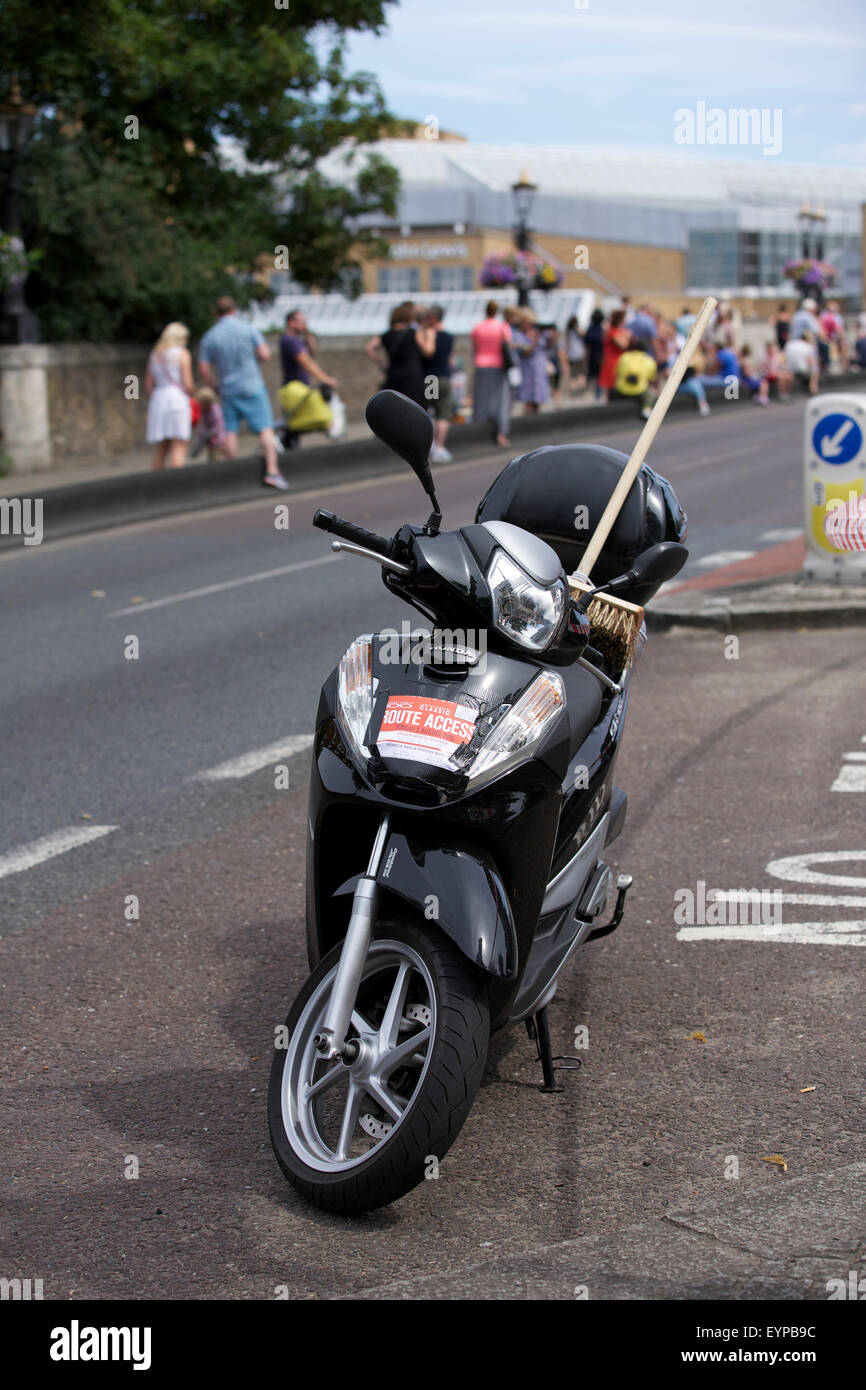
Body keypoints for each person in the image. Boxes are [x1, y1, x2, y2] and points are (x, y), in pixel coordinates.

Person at [199, 296, 285, 489]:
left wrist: (214, 386)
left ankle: (232, 475)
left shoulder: (210, 336)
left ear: (216, 313)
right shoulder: (248, 329)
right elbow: (265, 354)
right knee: (265, 429)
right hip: (253, 385)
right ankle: (272, 472)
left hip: (228, 389)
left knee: (230, 430)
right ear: (234, 310)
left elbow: (204, 369)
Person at [364, 302, 435, 407]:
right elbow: (428, 352)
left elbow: (369, 347)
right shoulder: (414, 332)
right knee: (413, 406)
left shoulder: (386, 334)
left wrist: (382, 364)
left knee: (395, 406)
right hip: (412, 374)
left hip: (393, 373)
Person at [145, 321, 194, 470]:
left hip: (158, 400)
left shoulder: (155, 354)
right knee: (179, 444)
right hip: (177, 400)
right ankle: (177, 487)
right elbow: (188, 383)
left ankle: (156, 485)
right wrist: (192, 394)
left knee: (162, 446)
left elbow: (148, 384)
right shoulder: (182, 353)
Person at [470, 300, 512, 447]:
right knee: (501, 400)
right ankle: (501, 434)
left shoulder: (477, 327)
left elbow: (475, 347)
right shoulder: (502, 327)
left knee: (481, 399)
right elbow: (508, 345)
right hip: (498, 364)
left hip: (481, 364)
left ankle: (477, 434)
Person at [280, 309, 339, 392]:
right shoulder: (289, 341)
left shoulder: (298, 341)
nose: (304, 324)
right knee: (320, 405)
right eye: (302, 321)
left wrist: (307, 332)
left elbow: (312, 351)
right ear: (291, 322)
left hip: (301, 387)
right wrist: (326, 379)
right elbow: (307, 362)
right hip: (293, 388)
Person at [424, 305, 454, 462]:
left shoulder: (427, 335)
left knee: (430, 413)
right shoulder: (449, 336)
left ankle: (429, 449)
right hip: (444, 378)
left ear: (433, 318)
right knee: (443, 414)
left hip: (431, 379)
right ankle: (440, 447)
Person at [514, 309, 551, 415]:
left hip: (539, 369)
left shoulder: (537, 332)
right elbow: (526, 351)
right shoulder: (519, 335)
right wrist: (535, 339)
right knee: (529, 401)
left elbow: (549, 346)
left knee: (537, 400)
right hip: (528, 370)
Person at [611, 340, 658, 418]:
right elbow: (651, 379)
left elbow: (616, 373)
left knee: (612, 390)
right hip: (639, 391)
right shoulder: (650, 361)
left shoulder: (624, 357)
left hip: (621, 390)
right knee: (651, 395)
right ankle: (646, 410)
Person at [598, 308, 630, 401]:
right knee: (612, 385)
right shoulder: (612, 331)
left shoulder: (617, 331)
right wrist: (626, 336)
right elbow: (623, 345)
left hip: (618, 360)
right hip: (613, 361)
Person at [189, 387, 227, 460]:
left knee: (217, 457)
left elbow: (218, 428)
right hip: (210, 440)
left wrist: (205, 433)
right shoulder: (205, 411)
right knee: (211, 457)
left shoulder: (214, 411)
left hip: (217, 440)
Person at [584, 308, 605, 399]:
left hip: (592, 355)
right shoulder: (601, 330)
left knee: (591, 374)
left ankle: (589, 392)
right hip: (599, 355)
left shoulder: (590, 329)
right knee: (598, 376)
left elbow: (586, 345)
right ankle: (597, 394)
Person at [565, 315, 587, 392]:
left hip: (573, 354)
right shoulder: (572, 331)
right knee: (578, 373)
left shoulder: (569, 331)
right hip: (577, 354)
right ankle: (577, 389)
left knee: (575, 374)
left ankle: (576, 389)